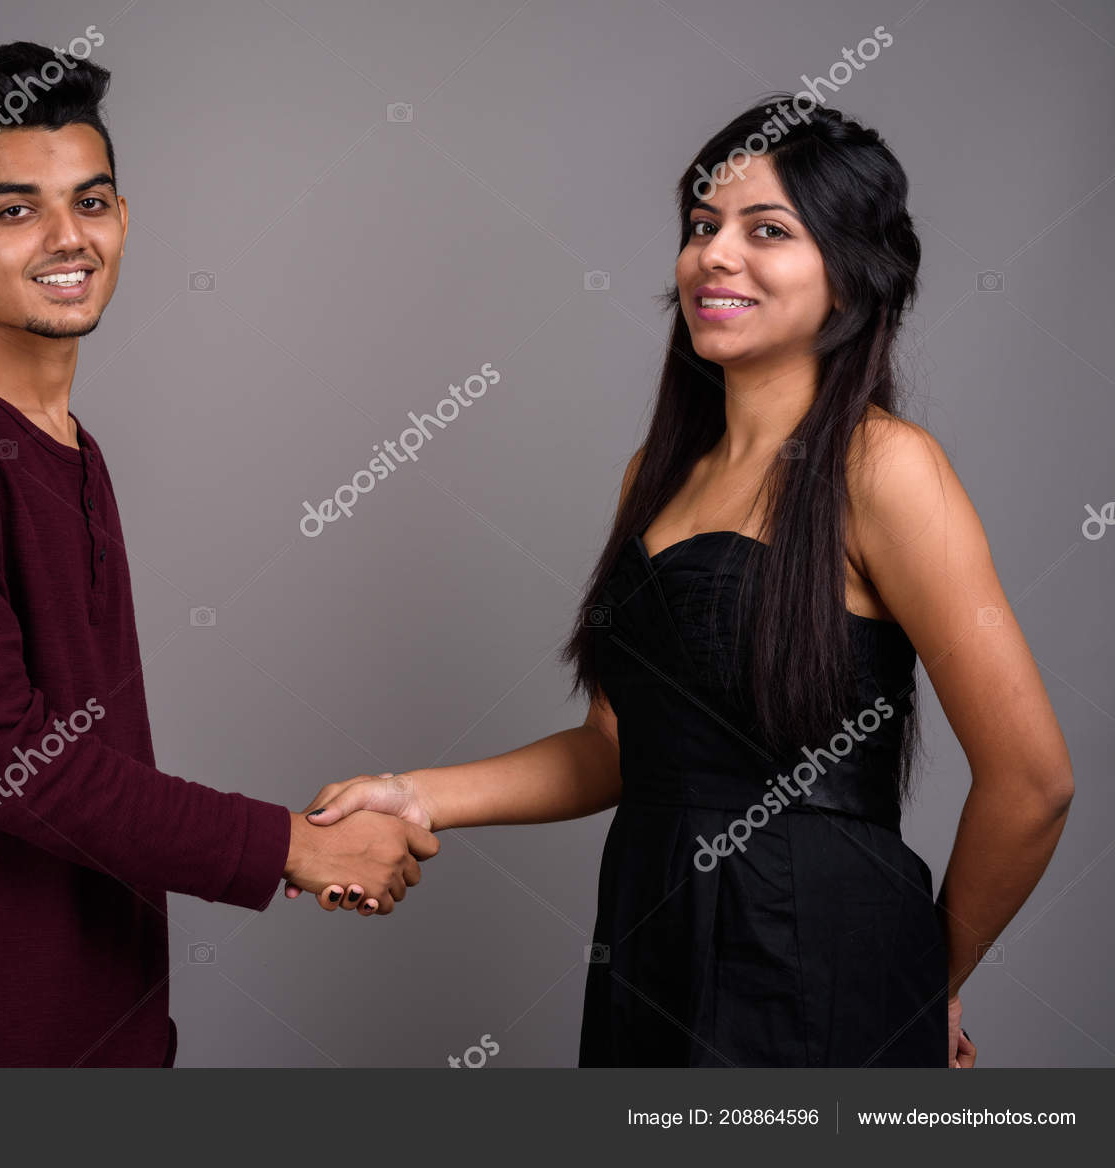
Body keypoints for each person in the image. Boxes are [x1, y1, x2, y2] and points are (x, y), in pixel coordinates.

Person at [288, 97, 1074, 1068]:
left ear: (850, 275)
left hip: (818, 955)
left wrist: (927, 984)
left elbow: (1032, 782)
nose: (715, 255)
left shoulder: (885, 468)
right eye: (702, 225)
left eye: (767, 230)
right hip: (649, 936)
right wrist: (413, 796)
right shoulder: (655, 475)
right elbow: (617, 749)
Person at [0, 43, 437, 1069]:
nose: (69, 237)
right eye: (14, 210)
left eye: (92, 201)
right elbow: (0, 757)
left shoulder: (72, 444)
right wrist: (290, 844)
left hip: (111, 1030)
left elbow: (88, 758)